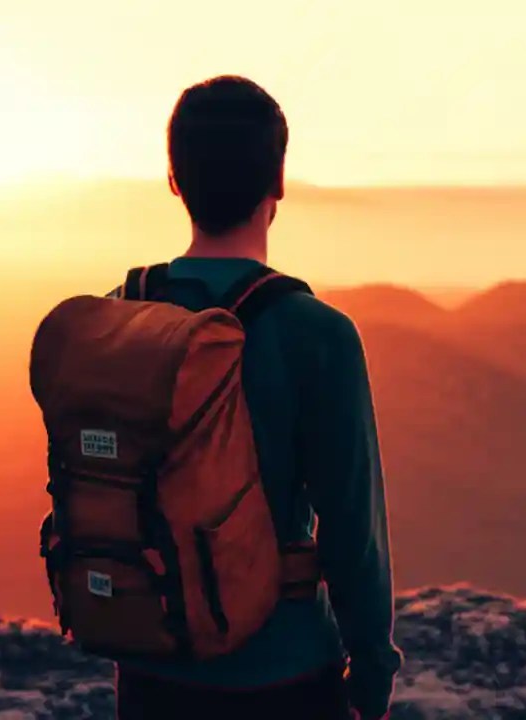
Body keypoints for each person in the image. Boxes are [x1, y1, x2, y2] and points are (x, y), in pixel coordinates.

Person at [110, 75, 401, 720]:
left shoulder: (117, 318)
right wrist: (372, 672)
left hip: (150, 669)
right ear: (279, 182)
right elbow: (354, 530)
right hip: (284, 671)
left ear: (174, 179)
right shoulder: (316, 333)